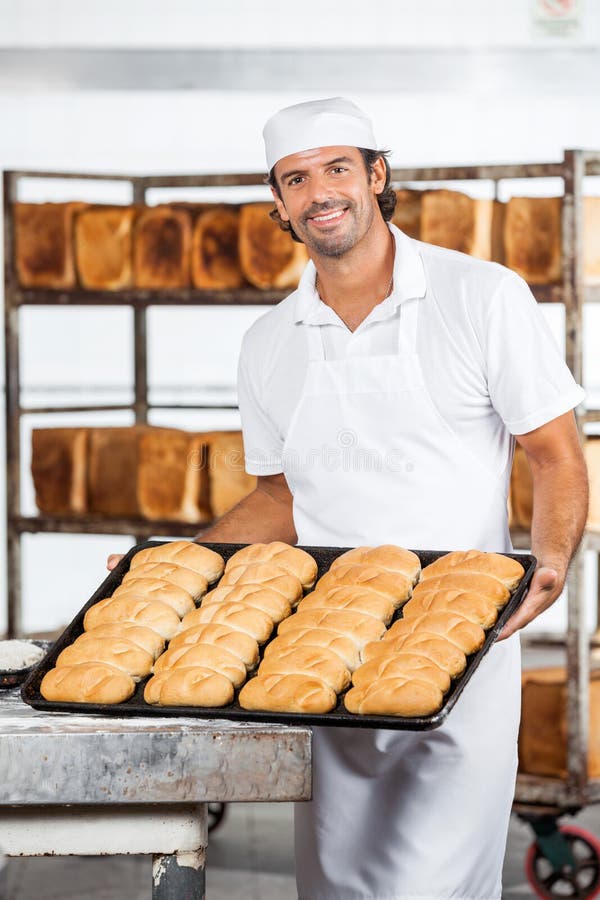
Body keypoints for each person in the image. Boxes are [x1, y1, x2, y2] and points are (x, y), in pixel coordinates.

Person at [108, 97, 588, 899]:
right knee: (335, 881)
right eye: (297, 178)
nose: (320, 191)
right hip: (320, 650)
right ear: (279, 203)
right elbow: (281, 502)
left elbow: (556, 455)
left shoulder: (480, 297)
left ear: (377, 175)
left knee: (436, 882)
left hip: (456, 639)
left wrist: (550, 558)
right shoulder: (269, 343)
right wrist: (173, 566)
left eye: (338, 168)